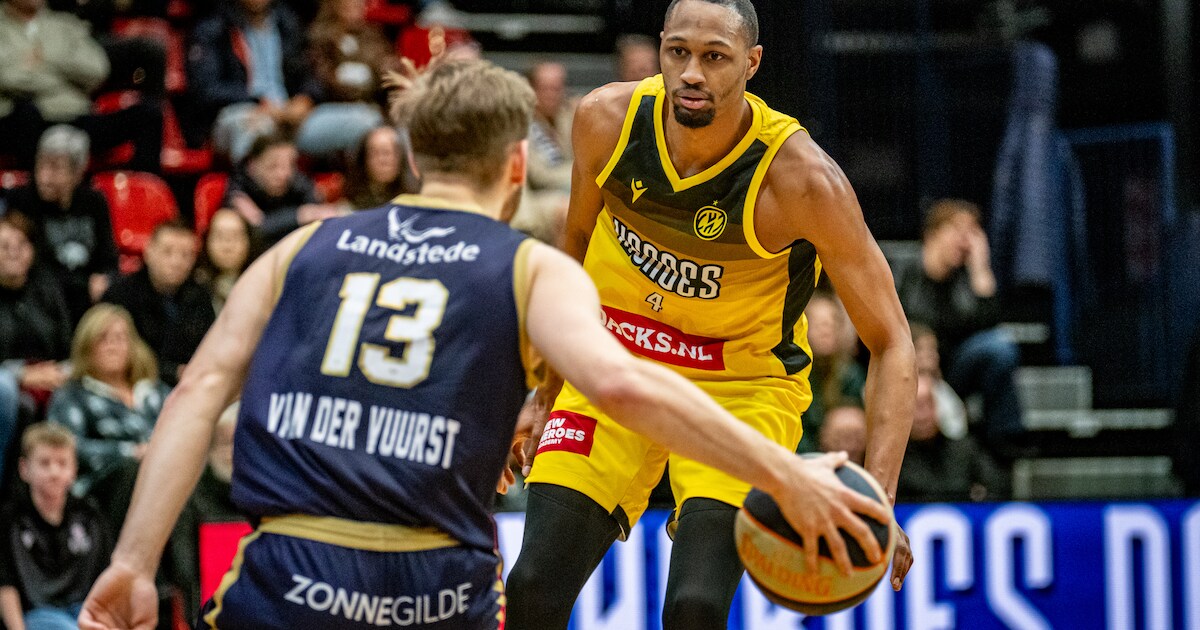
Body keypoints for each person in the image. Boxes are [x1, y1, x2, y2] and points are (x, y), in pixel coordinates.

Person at [77, 59, 890, 630]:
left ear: (413, 149)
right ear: (513, 166)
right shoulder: (526, 268)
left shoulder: (304, 247)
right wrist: (787, 473)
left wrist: (133, 561)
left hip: (294, 568)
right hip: (430, 587)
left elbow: (194, 394)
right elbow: (624, 386)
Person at [506, 1, 916, 627]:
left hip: (740, 391)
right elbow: (576, 248)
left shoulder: (802, 179)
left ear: (751, 64)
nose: (690, 73)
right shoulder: (605, 121)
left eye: (714, 57)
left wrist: (878, 495)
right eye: (678, 52)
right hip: (613, 368)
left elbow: (892, 342)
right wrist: (544, 392)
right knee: (533, 585)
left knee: (694, 608)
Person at [893, 198, 1024, 454]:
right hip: (908, 365)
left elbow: (989, 328)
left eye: (972, 232)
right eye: (957, 230)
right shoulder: (903, 272)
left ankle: (1003, 444)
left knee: (1000, 348)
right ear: (932, 234)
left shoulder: (967, 279)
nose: (965, 240)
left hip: (952, 368)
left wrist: (981, 269)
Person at [0, 0, 162, 172]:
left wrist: (46, 61)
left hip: (74, 117)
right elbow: (7, 78)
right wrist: (66, 79)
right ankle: (35, 193)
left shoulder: (65, 23)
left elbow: (98, 70)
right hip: (22, 122)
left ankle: (143, 193)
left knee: (149, 115)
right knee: (26, 114)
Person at [46, 304, 170, 518]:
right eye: (103, 339)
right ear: (87, 347)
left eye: (120, 338)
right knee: (132, 471)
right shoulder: (73, 395)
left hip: (163, 476)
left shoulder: (154, 390)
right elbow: (66, 447)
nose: (113, 346)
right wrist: (130, 452)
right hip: (102, 489)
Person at [0, 423, 112, 630]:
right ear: (24, 469)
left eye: (62, 463)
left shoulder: (89, 514)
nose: (54, 471)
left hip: (83, 608)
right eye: (44, 463)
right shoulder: (9, 519)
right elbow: (6, 586)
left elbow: (106, 576)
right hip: (37, 613)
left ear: (74, 470)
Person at [7, 125, 119, 325]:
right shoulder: (22, 200)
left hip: (87, 291)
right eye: (41, 165)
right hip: (43, 293)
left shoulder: (94, 201)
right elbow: (32, 264)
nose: (45, 177)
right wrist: (83, 285)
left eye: (56, 168)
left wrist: (105, 279)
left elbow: (108, 258)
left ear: (77, 173)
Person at [0, 213, 71, 489]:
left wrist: (62, 373)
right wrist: (20, 375)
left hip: (50, 379)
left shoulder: (47, 288)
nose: (14, 253)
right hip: (8, 383)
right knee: (17, 401)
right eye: (5, 246)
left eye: (21, 245)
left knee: (75, 396)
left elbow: (67, 348)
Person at [101, 221, 216, 386]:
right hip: (132, 384)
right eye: (167, 252)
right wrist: (173, 371)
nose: (177, 262)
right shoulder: (119, 295)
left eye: (186, 254)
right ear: (149, 251)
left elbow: (210, 346)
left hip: (191, 386)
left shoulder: (200, 296)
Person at [896, 373, 1009, 503]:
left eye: (927, 404)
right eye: (915, 406)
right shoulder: (894, 460)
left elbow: (997, 486)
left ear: (940, 406)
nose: (922, 415)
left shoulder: (965, 449)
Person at [220, 134, 344, 245]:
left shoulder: (298, 181)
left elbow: (320, 214)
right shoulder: (238, 191)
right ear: (252, 166)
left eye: (290, 165)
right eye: (273, 166)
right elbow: (258, 227)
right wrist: (299, 215)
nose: (283, 174)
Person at [797, 291, 866, 453]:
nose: (826, 330)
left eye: (832, 323)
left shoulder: (851, 374)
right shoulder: (792, 374)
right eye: (819, 324)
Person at [193, 209, 258, 313]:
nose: (227, 246)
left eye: (235, 236)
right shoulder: (193, 288)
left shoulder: (262, 284)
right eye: (220, 236)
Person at [342, 126, 419, 210]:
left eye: (387, 153)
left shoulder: (412, 203)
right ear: (364, 158)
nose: (382, 160)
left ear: (400, 158)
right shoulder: (348, 203)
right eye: (375, 153)